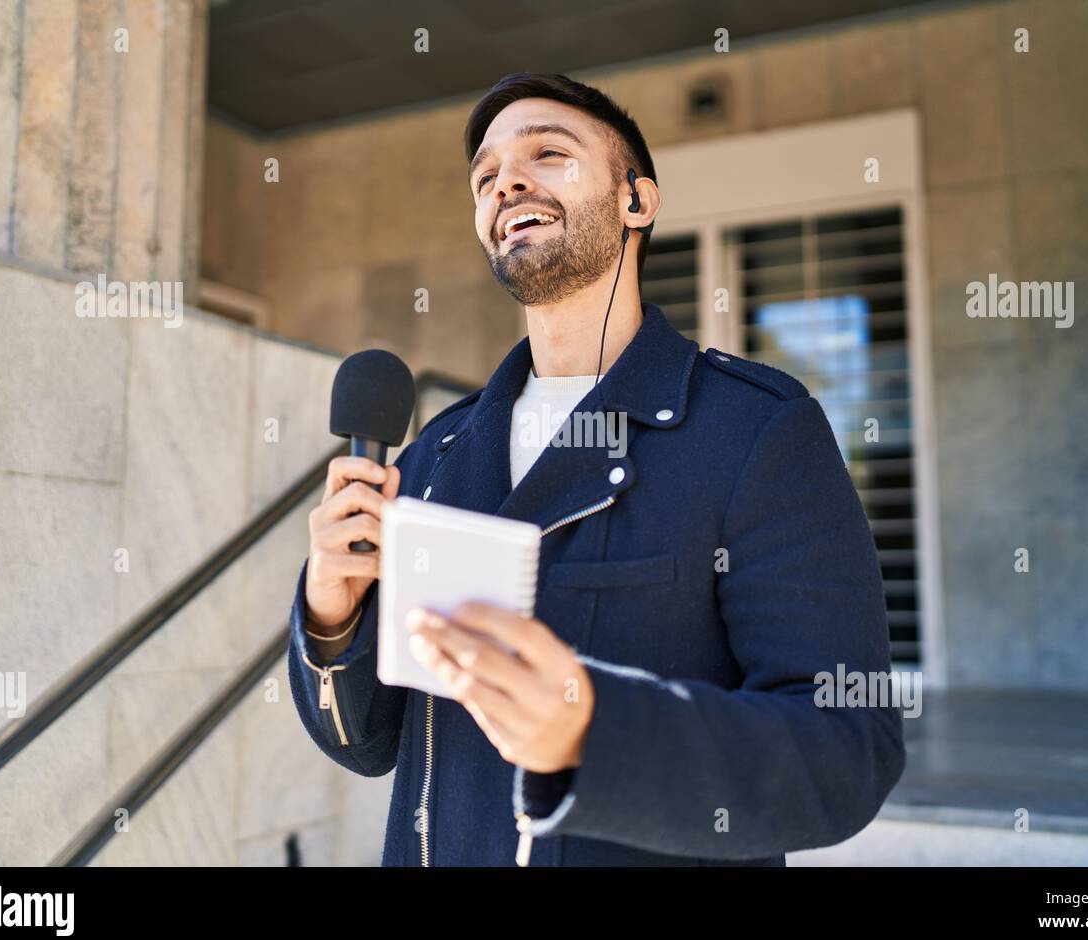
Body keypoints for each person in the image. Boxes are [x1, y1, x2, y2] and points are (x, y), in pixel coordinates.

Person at [288, 72, 905, 867]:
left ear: (637, 202)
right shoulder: (436, 452)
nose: (506, 180)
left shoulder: (755, 430)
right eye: (485, 176)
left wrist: (592, 731)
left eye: (548, 153)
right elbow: (368, 745)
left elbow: (846, 750)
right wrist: (331, 616)